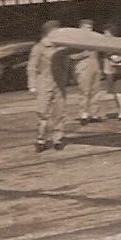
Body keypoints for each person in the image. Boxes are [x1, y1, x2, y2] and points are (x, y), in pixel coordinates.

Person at [27, 20, 71, 152]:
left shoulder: (62, 48)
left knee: (59, 112)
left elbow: (68, 61)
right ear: (48, 33)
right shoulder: (39, 48)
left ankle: (58, 139)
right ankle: (41, 139)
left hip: (59, 84)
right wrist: (32, 85)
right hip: (44, 84)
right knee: (43, 113)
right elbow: (32, 67)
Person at [70, 19, 102, 125]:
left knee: (96, 91)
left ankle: (94, 113)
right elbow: (71, 56)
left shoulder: (95, 38)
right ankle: (84, 113)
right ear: (81, 28)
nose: (89, 30)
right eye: (87, 27)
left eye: (90, 27)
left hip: (95, 67)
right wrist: (84, 54)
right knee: (84, 91)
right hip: (83, 68)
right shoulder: (76, 40)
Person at [102, 23, 121, 120]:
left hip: (118, 69)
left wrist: (119, 58)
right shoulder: (106, 44)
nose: (104, 34)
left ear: (111, 33)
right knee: (115, 93)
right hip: (111, 70)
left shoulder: (119, 42)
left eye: (106, 32)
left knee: (118, 92)